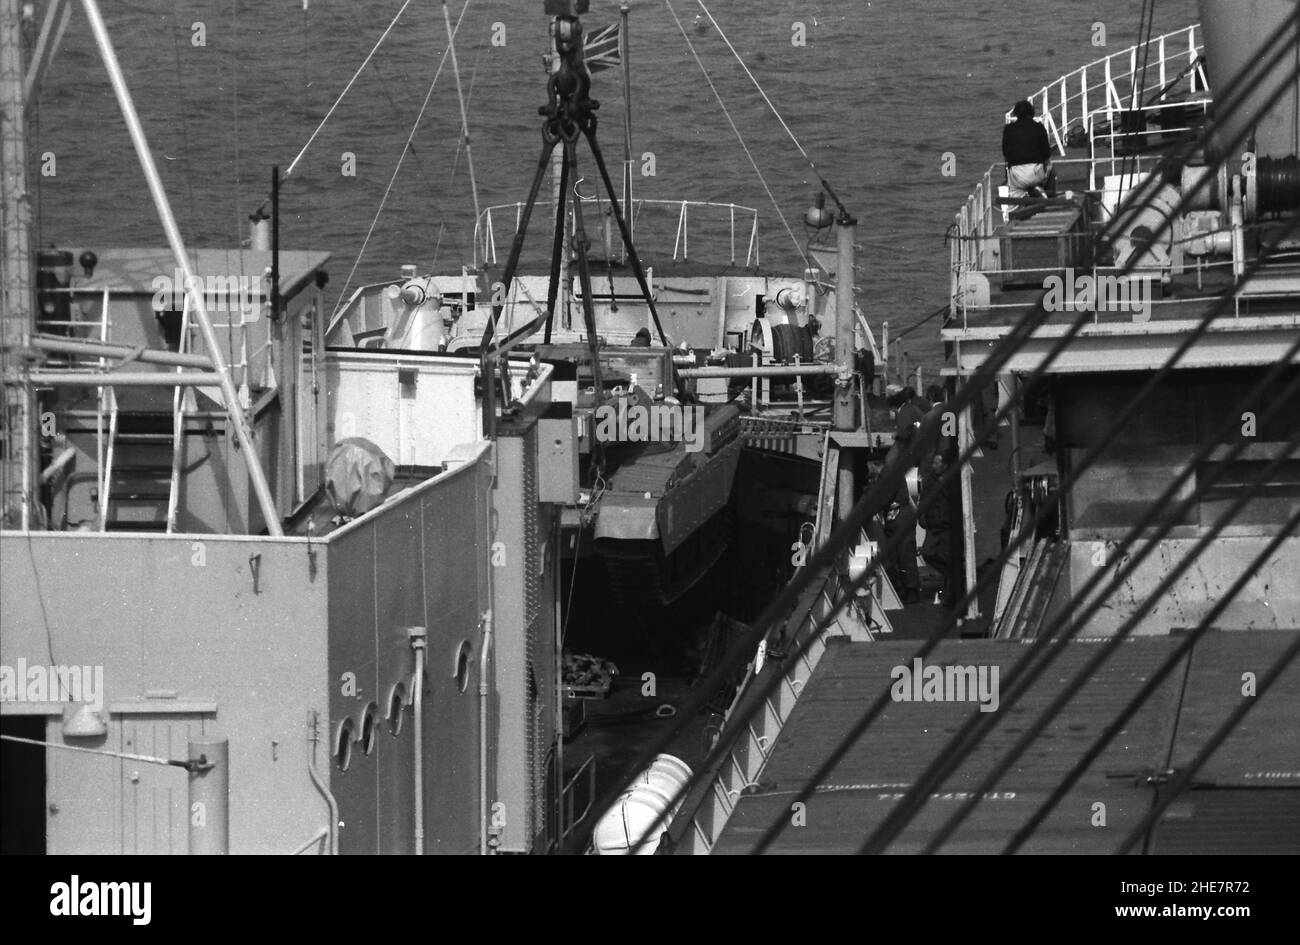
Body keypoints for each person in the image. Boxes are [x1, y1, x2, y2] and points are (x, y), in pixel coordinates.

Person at [919, 451, 956, 606]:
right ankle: (952, 575)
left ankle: (951, 592)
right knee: (927, 553)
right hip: (933, 525)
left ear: (945, 465)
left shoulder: (952, 481)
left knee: (948, 557)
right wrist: (922, 518)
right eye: (933, 463)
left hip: (947, 526)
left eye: (937, 463)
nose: (933, 466)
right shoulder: (929, 481)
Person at [1002, 100, 1053, 199]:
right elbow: (1046, 153)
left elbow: (1005, 152)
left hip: (1016, 176)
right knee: (1050, 166)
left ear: (1016, 113)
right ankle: (1043, 191)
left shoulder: (1008, 129)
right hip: (1036, 173)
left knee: (1015, 191)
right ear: (1032, 112)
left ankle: (1019, 200)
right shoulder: (1039, 127)